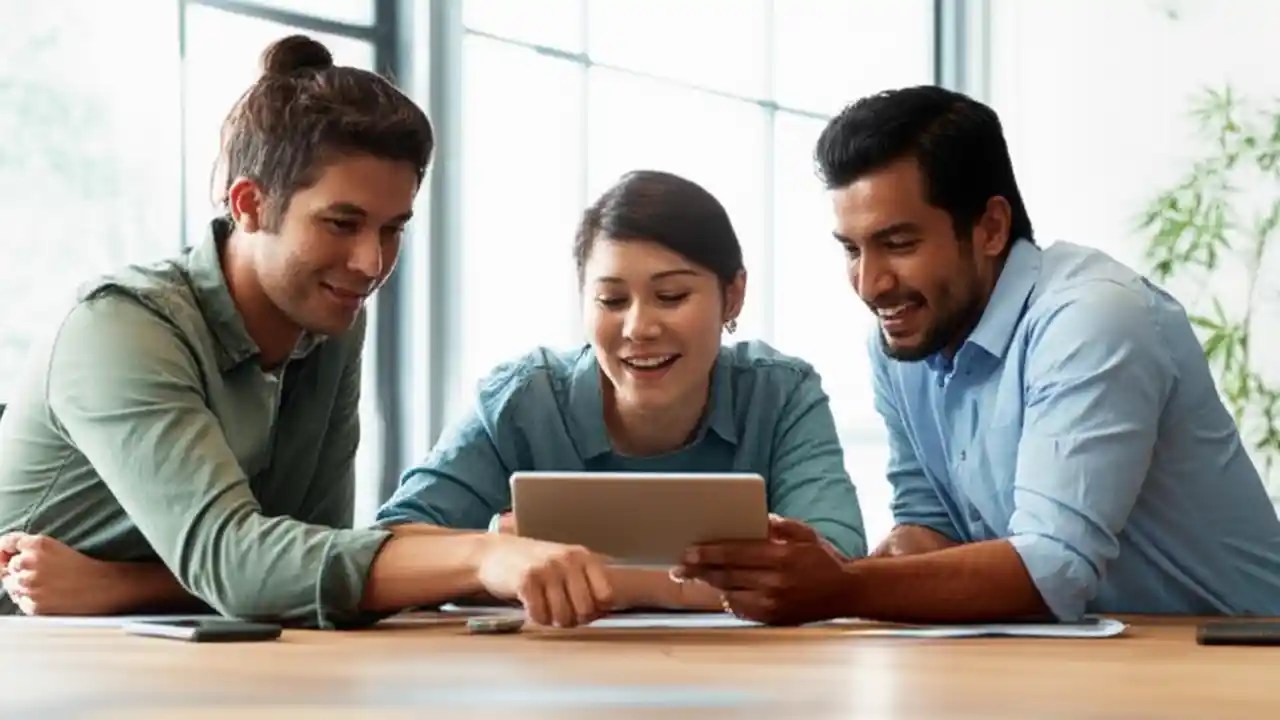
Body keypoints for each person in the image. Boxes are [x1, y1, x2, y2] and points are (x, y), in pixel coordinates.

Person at [0, 35, 619, 628]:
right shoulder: (120, 330)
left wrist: (121, 587)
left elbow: (302, 556)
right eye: (341, 223)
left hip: (170, 647)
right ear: (248, 204)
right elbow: (238, 561)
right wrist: (480, 558)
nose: (371, 264)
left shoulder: (330, 323)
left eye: (391, 229)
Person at [678, 85, 1280, 625]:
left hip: (1235, 660)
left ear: (991, 227)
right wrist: (856, 564)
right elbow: (929, 522)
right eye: (852, 250)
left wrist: (845, 586)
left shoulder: (1092, 319)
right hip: (1085, 659)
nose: (870, 284)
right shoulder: (903, 338)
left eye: (898, 243)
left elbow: (1054, 565)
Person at [377, 170, 867, 619]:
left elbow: (837, 565)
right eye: (611, 300)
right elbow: (390, 547)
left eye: (671, 296)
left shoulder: (780, 393)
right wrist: (493, 558)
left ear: (732, 296)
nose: (638, 328)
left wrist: (622, 582)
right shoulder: (525, 399)